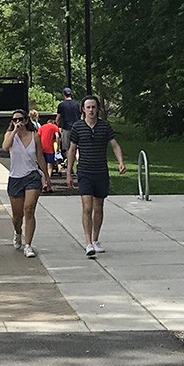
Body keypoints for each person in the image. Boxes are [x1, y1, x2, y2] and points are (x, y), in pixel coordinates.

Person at [66, 95, 126, 258]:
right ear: (83, 110)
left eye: (93, 107)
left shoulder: (105, 127)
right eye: (88, 107)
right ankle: (88, 243)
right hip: (85, 171)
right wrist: (69, 171)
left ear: (97, 109)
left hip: (101, 171)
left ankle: (96, 238)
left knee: (98, 207)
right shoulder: (77, 127)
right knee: (87, 207)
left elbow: (114, 145)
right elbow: (72, 150)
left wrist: (121, 162)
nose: (91, 110)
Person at [2, 108, 51, 258]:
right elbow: (5, 147)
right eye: (15, 120)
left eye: (21, 119)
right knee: (17, 216)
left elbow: (40, 157)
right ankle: (18, 232)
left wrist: (47, 177)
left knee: (29, 209)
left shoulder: (34, 136)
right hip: (15, 178)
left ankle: (28, 245)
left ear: (26, 120)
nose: (18, 122)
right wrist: (14, 132)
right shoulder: (10, 135)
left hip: (32, 176)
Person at [56, 88, 82, 171]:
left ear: (64, 94)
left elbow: (58, 119)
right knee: (77, 147)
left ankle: (70, 166)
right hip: (77, 128)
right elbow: (81, 116)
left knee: (68, 148)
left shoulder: (61, 105)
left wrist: (58, 126)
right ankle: (79, 162)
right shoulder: (77, 104)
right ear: (71, 94)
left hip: (66, 128)